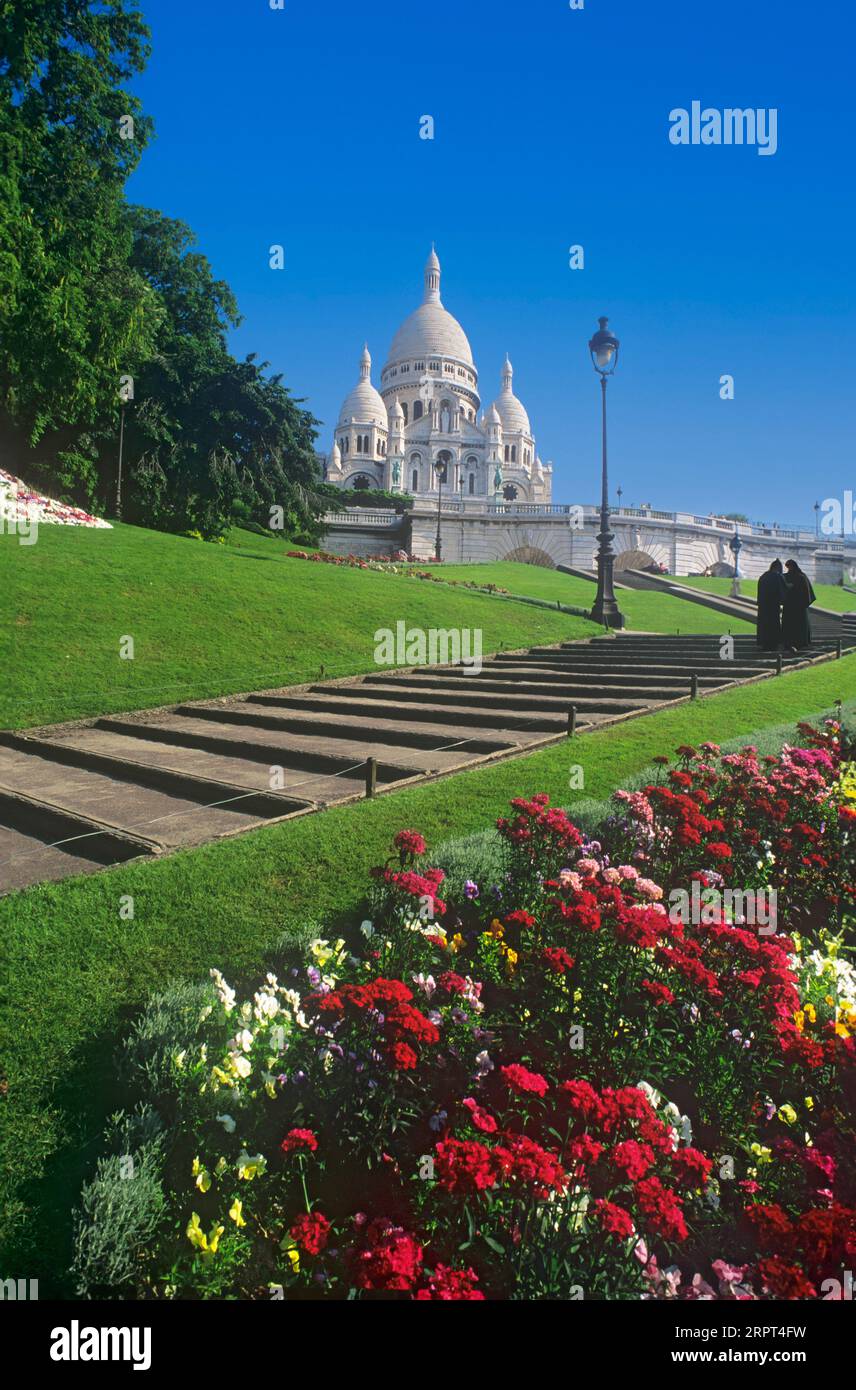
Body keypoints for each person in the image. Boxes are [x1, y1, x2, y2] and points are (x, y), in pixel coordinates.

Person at [782, 559, 816, 651]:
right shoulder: (799, 576)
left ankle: (799, 642)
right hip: (792, 605)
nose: (788, 569)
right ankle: (790, 642)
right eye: (787, 567)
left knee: (797, 625)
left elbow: (806, 592)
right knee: (793, 625)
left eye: (789, 567)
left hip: (797, 606)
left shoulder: (800, 577)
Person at [756, 559, 788, 650]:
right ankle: (773, 644)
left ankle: (764, 643)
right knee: (773, 624)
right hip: (773, 606)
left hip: (763, 606)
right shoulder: (777, 576)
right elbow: (783, 590)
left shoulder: (763, 576)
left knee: (764, 625)